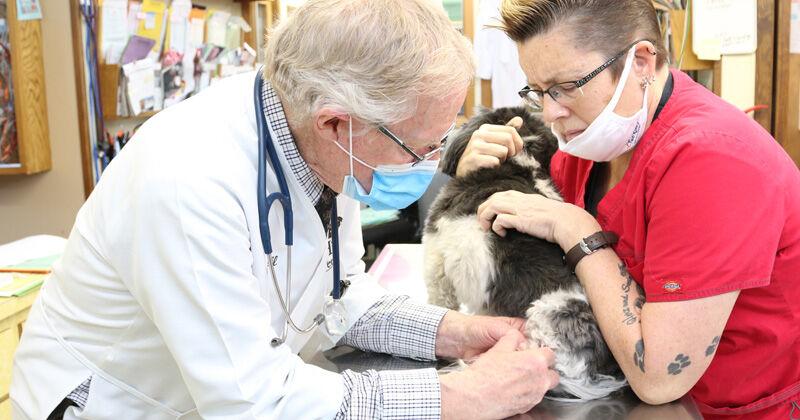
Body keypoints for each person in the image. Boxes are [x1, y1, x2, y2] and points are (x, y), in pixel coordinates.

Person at [10, 1, 559, 419]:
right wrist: (461, 395)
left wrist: (456, 333)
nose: (433, 161)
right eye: (421, 147)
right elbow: (254, 402)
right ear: (336, 123)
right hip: (121, 403)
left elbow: (341, 301)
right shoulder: (188, 182)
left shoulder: (324, 150)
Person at [453, 0, 800, 419]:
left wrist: (577, 230)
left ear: (640, 62)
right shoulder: (594, 136)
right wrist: (481, 166)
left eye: (565, 87)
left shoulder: (713, 161)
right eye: (539, 92)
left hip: (724, 407)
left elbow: (660, 378)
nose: (550, 113)